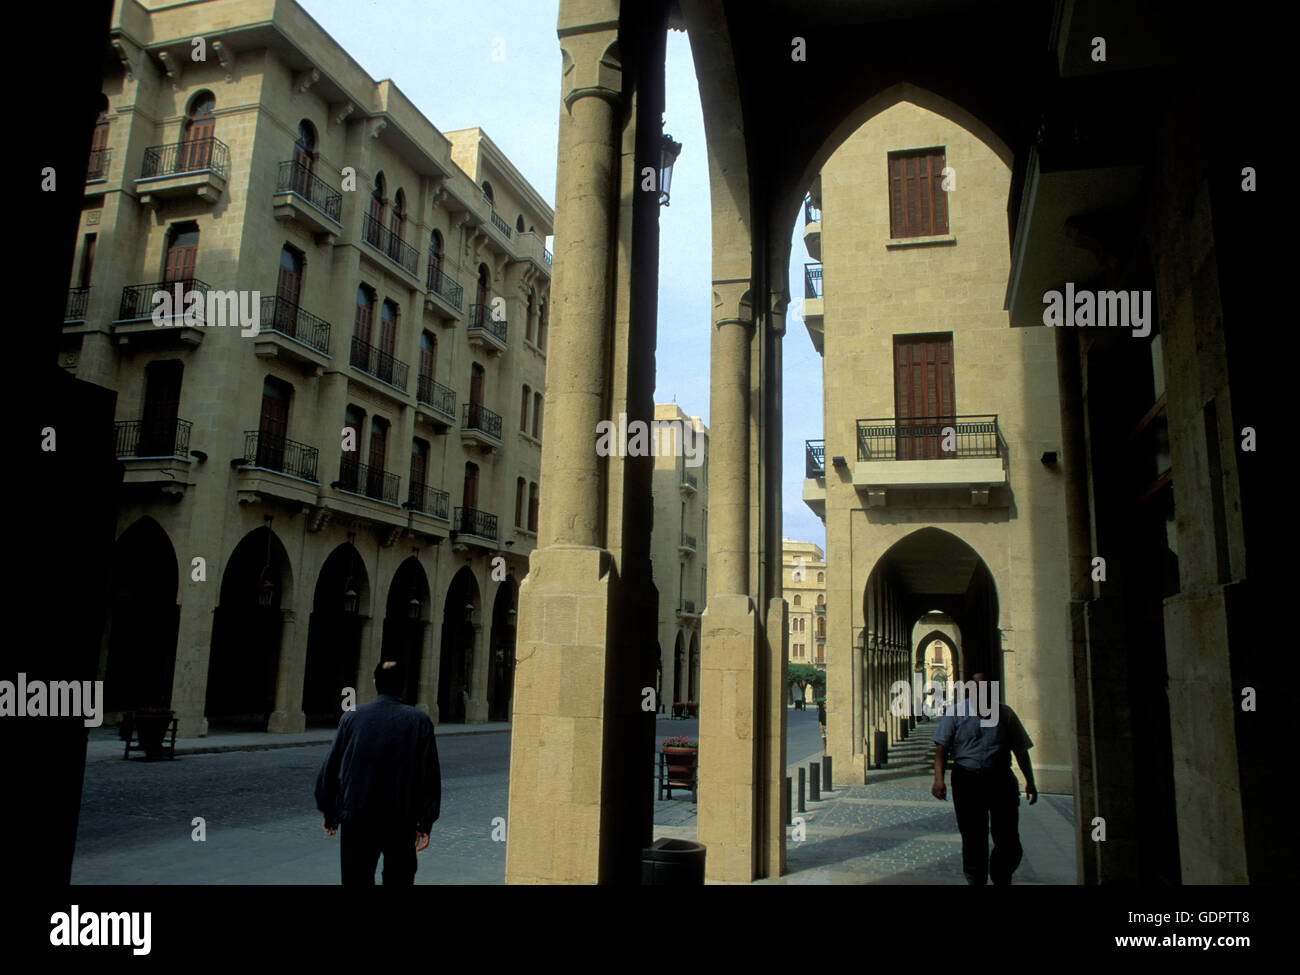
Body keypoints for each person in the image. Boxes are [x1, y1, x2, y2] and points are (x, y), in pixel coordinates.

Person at [315, 659, 441, 885]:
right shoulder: (419, 721)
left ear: (374, 682)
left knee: (356, 878)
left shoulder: (352, 717)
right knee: (399, 879)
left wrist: (329, 810)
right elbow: (429, 777)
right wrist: (425, 823)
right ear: (404, 684)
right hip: (400, 821)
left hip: (357, 818)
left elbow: (332, 767)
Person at [930, 672, 1037, 885]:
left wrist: (1030, 781)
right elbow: (942, 749)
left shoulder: (1005, 714)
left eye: (986, 688)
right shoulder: (956, 713)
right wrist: (938, 780)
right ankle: (975, 879)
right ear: (970, 690)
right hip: (968, 781)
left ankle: (1000, 874)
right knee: (973, 837)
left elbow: (1021, 750)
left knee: (1008, 839)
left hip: (1000, 780)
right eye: (977, 688)